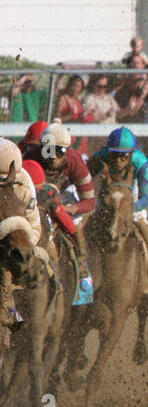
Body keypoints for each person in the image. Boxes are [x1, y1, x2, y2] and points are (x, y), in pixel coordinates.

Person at [20, 122, 94, 301]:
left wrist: (71, 209)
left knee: (76, 222)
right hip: (37, 201)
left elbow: (90, 201)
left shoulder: (76, 162)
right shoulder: (30, 159)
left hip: (65, 198)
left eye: (59, 151)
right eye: (48, 150)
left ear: (67, 151)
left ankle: (82, 265)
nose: (52, 156)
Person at [86, 127, 148, 274]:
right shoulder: (101, 156)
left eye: (123, 156)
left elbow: (145, 199)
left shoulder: (141, 163)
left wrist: (129, 207)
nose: (118, 160)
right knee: (91, 220)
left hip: (132, 193)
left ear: (131, 154)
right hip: (110, 195)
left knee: (140, 219)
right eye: (114, 155)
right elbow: (83, 177)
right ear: (109, 152)